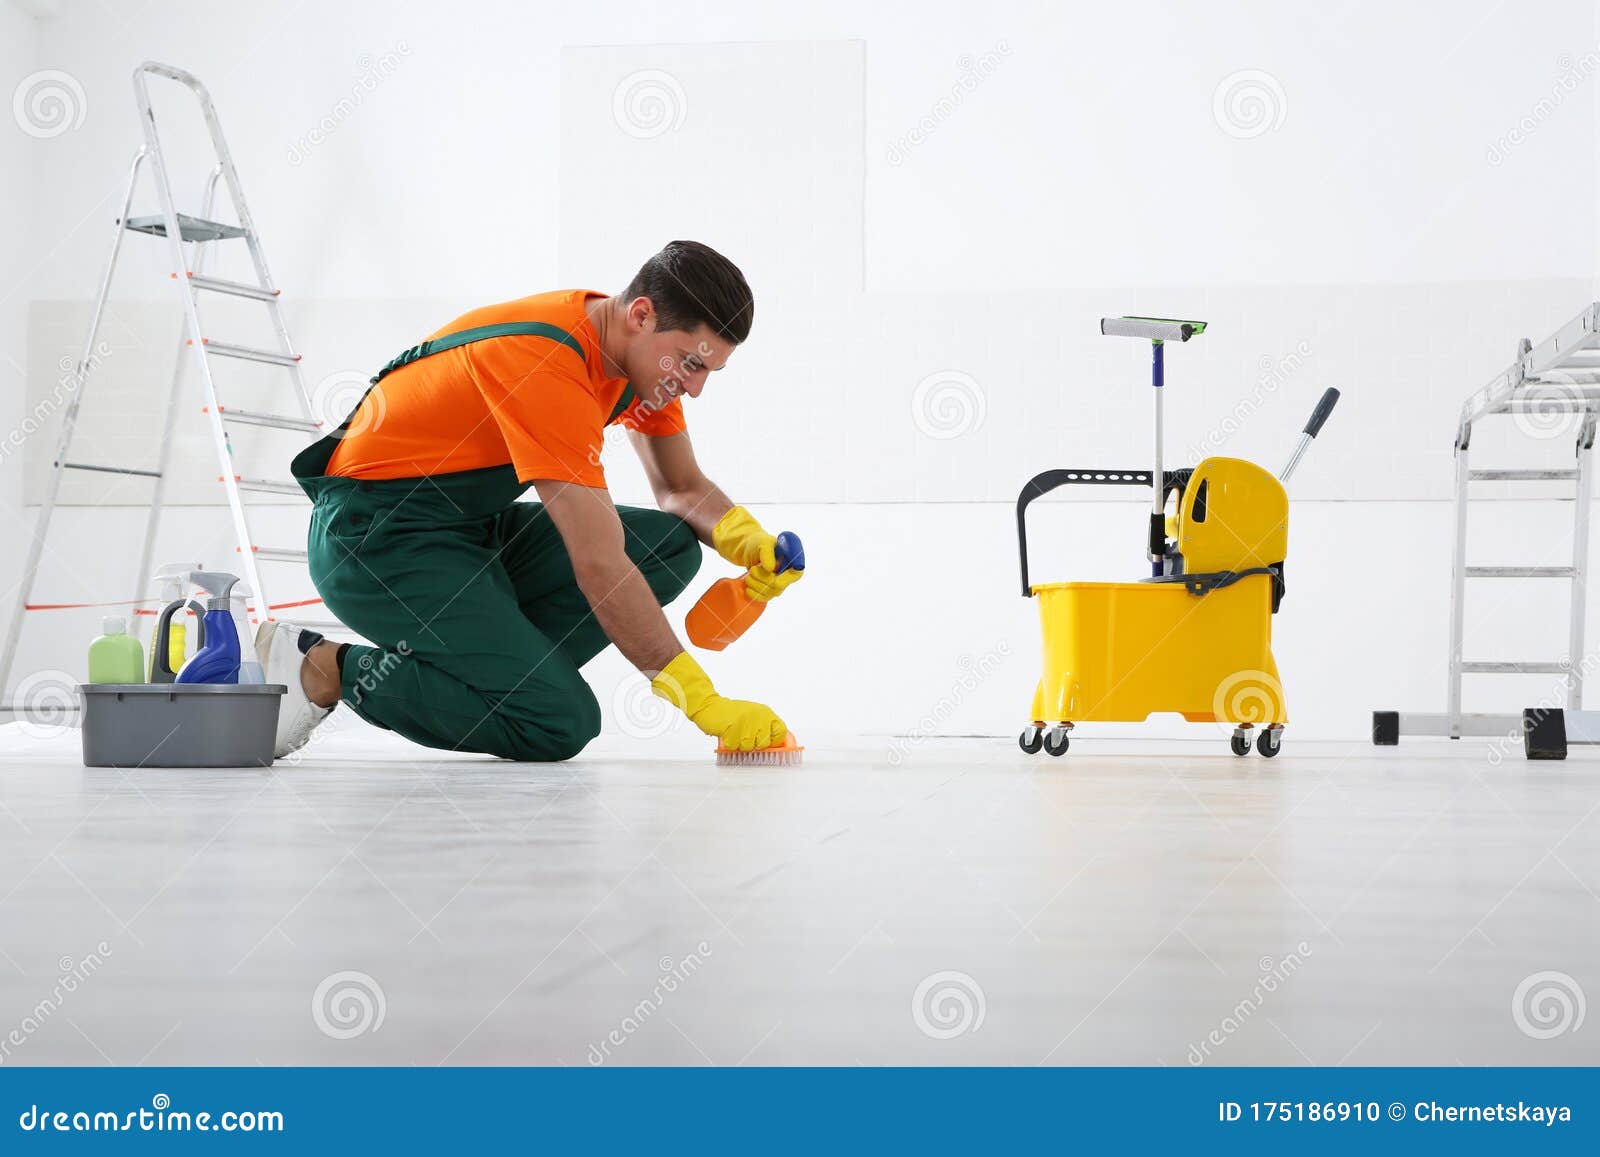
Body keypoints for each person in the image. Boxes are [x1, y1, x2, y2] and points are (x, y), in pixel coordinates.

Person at [255, 241, 803, 761]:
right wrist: (702, 703)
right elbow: (599, 562)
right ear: (641, 315)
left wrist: (748, 541)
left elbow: (680, 488)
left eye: (709, 370)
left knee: (668, 549)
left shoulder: (635, 360)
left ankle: (509, 678)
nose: (696, 387)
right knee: (559, 721)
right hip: (376, 541)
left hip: (471, 533)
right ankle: (321, 667)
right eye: (690, 363)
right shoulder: (547, 363)